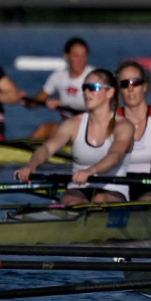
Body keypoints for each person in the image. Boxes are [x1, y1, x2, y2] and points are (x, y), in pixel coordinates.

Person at [14, 69, 133, 204]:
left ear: (110, 92)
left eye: (93, 88)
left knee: (99, 199)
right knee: (72, 201)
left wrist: (90, 171)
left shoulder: (123, 126)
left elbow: (114, 156)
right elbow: (47, 148)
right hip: (78, 188)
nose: (86, 92)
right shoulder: (72, 124)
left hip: (113, 188)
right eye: (84, 88)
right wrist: (31, 165)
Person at [113, 59, 151, 201]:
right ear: (118, 89)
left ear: (145, 86)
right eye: (124, 84)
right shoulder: (111, 119)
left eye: (135, 83)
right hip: (117, 184)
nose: (130, 89)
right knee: (101, 200)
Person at [23, 36, 92, 141]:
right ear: (66, 55)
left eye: (83, 56)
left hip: (91, 126)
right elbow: (35, 102)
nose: (80, 60)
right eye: (76, 56)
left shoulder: (94, 77)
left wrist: (62, 105)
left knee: (60, 131)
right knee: (44, 129)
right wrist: (22, 98)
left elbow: (99, 109)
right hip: (69, 124)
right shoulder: (58, 77)